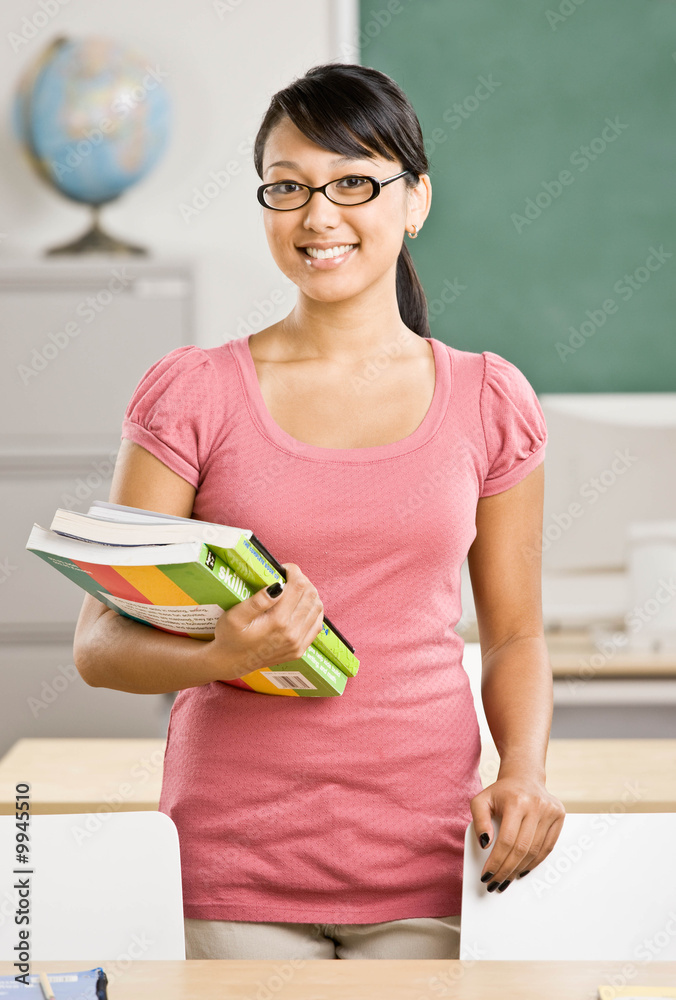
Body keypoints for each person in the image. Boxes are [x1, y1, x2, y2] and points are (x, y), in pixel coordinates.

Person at [73, 61, 565, 961]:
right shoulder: (194, 394)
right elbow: (98, 645)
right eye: (289, 187)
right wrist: (225, 653)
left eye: (354, 183)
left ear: (415, 199)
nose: (319, 216)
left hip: (432, 865)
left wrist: (524, 773)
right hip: (230, 871)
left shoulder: (489, 398)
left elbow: (516, 635)